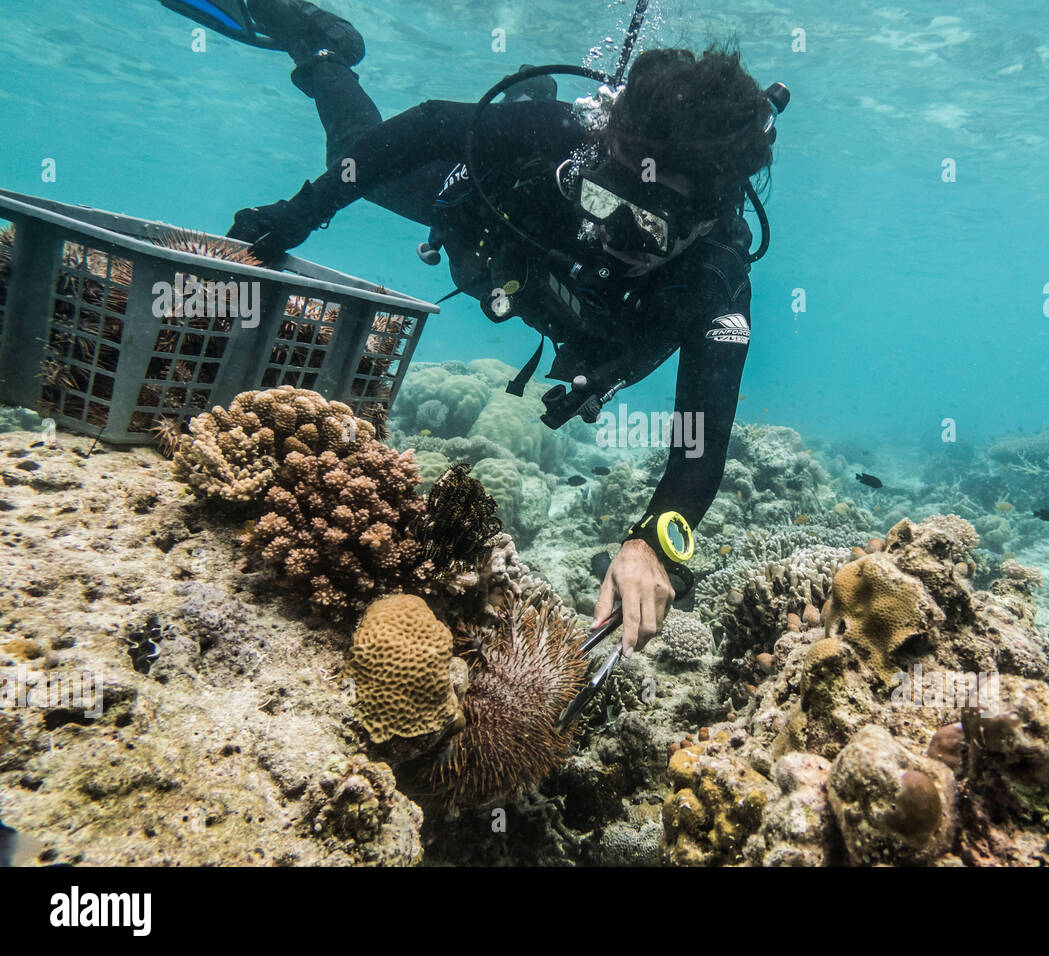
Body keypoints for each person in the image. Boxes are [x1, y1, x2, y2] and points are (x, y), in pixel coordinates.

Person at [162, 0, 781, 656]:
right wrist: (296, 214)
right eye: (599, 196)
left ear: (706, 222)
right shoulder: (563, 137)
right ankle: (320, 49)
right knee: (355, 156)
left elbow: (700, 443)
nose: (607, 234)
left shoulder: (715, 282)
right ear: (597, 156)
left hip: (554, 292)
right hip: (487, 235)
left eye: (646, 226)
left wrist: (653, 543)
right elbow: (429, 125)